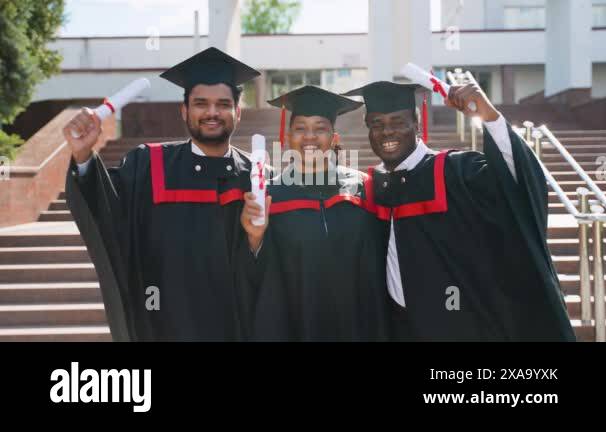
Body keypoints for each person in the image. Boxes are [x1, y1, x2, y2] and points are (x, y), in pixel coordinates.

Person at [342, 81, 575, 341]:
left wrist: (489, 117)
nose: (386, 131)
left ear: (417, 124)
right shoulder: (372, 187)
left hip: (458, 327)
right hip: (396, 329)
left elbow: (518, 183)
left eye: (398, 122)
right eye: (376, 123)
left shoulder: (456, 171)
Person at [64, 47, 264, 341]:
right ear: (184, 111)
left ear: (237, 111)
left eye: (222, 104)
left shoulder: (257, 176)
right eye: (200, 103)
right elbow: (107, 214)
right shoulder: (148, 165)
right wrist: (83, 155)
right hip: (164, 328)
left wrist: (257, 240)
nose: (211, 112)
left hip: (238, 329)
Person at [239, 86, 390, 341]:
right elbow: (257, 277)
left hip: (357, 325)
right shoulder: (270, 195)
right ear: (287, 137)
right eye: (300, 128)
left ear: (334, 138)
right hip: (296, 326)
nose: (310, 136)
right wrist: (254, 240)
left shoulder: (364, 188)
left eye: (320, 128)